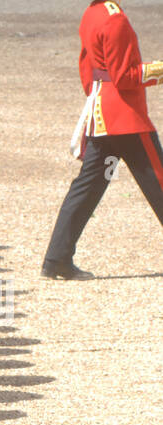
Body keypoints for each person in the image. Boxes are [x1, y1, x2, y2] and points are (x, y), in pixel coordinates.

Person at [43, 0, 163, 279]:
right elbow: (125, 76)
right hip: (125, 118)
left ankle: (56, 258)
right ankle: (56, 259)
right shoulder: (114, 18)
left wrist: (97, 98)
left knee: (87, 187)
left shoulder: (92, 13)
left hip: (102, 114)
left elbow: (87, 68)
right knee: (159, 180)